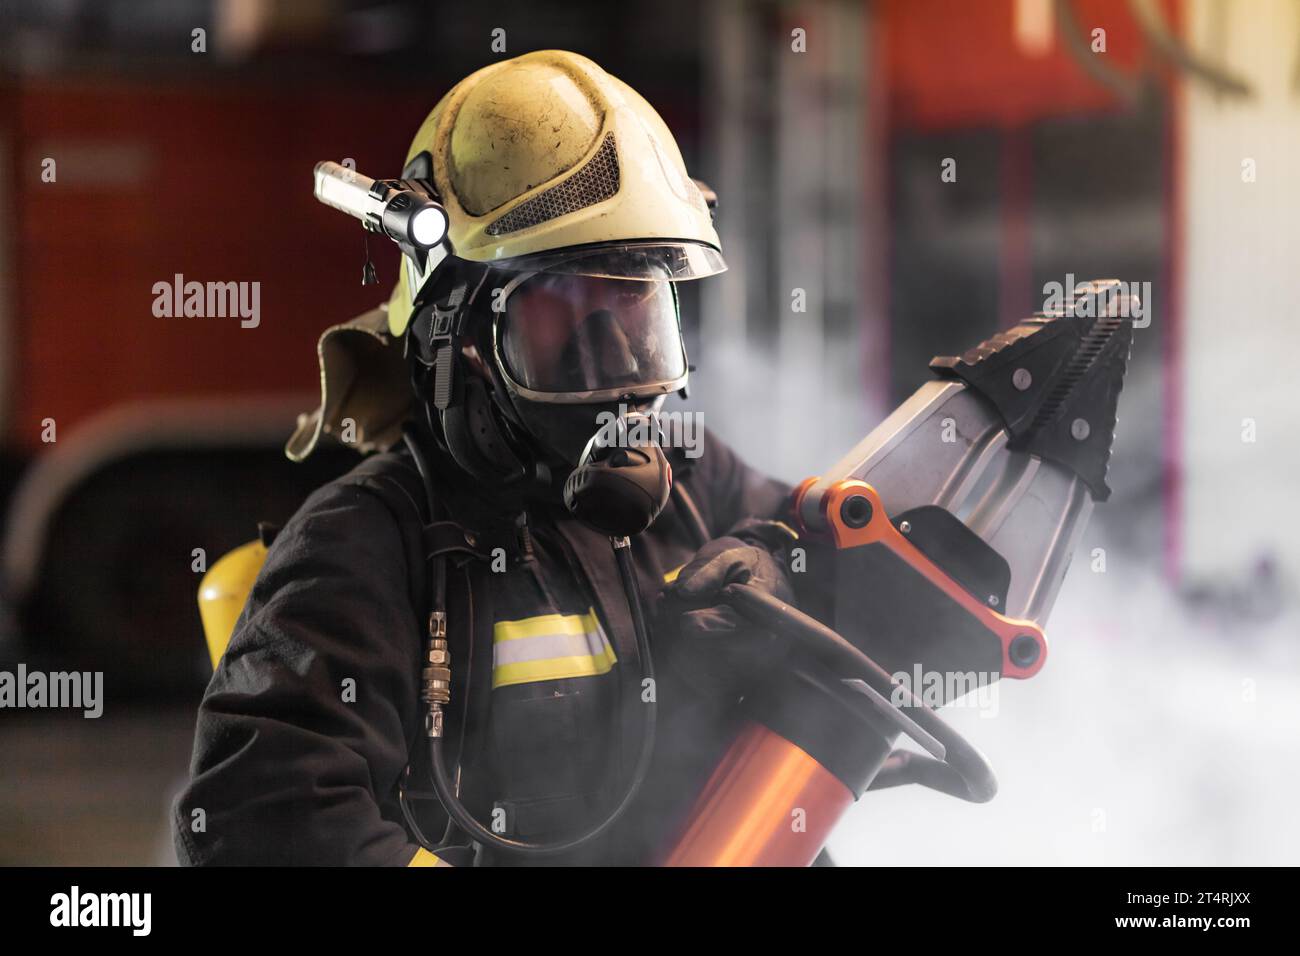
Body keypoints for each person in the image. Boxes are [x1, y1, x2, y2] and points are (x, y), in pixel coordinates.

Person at [175, 50, 800, 866]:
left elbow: (815, 534)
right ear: (459, 334)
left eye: (634, 306)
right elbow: (259, 818)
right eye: (561, 309)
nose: (609, 358)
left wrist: (772, 554)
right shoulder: (361, 547)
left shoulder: (684, 478)